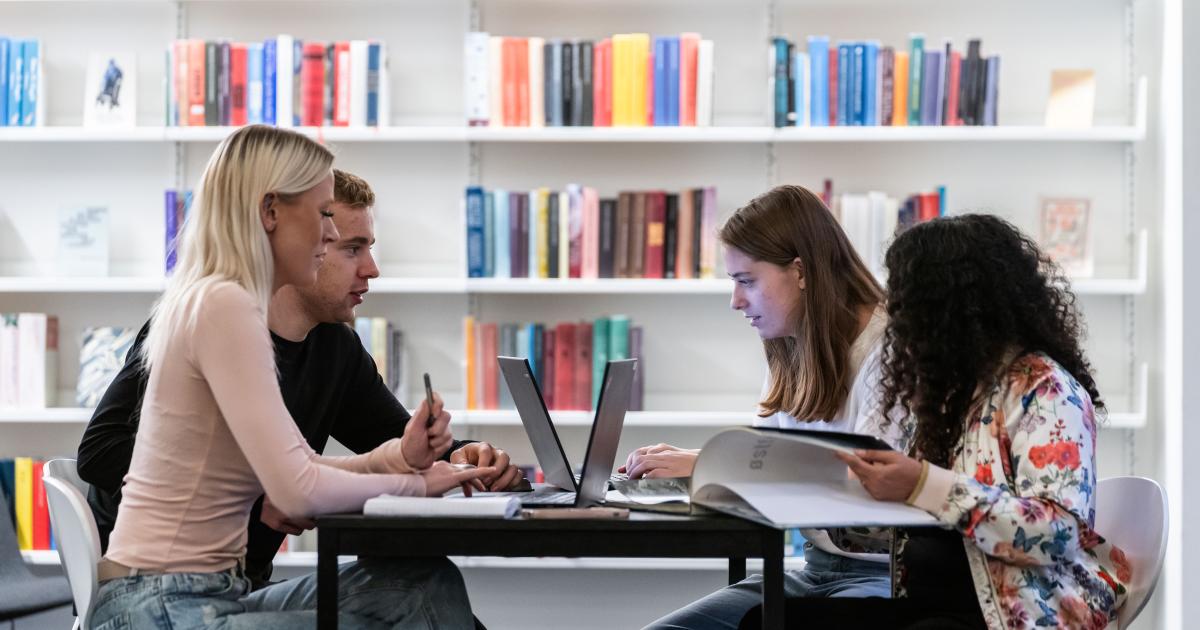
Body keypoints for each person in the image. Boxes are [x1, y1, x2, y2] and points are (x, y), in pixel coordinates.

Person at [87, 125, 492, 630]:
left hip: (214, 593)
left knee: (427, 584)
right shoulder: (223, 305)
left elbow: (301, 465)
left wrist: (402, 460)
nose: (329, 234)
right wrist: (419, 484)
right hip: (158, 605)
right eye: (323, 215)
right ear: (270, 212)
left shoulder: (235, 305)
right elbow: (297, 491)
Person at [741, 214, 1131, 629]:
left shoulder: (1045, 390)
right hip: (932, 604)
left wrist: (923, 485)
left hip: (1017, 615)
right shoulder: (949, 393)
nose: (895, 319)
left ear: (952, 311)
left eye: (908, 305)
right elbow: (919, 518)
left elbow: (1056, 535)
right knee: (762, 622)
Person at [633, 185, 908, 630]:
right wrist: (706, 464)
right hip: (812, 570)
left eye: (747, 281)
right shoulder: (788, 345)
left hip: (884, 578)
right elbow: (772, 460)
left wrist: (712, 464)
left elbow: (867, 490)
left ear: (800, 271)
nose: (735, 301)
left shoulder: (889, 350)